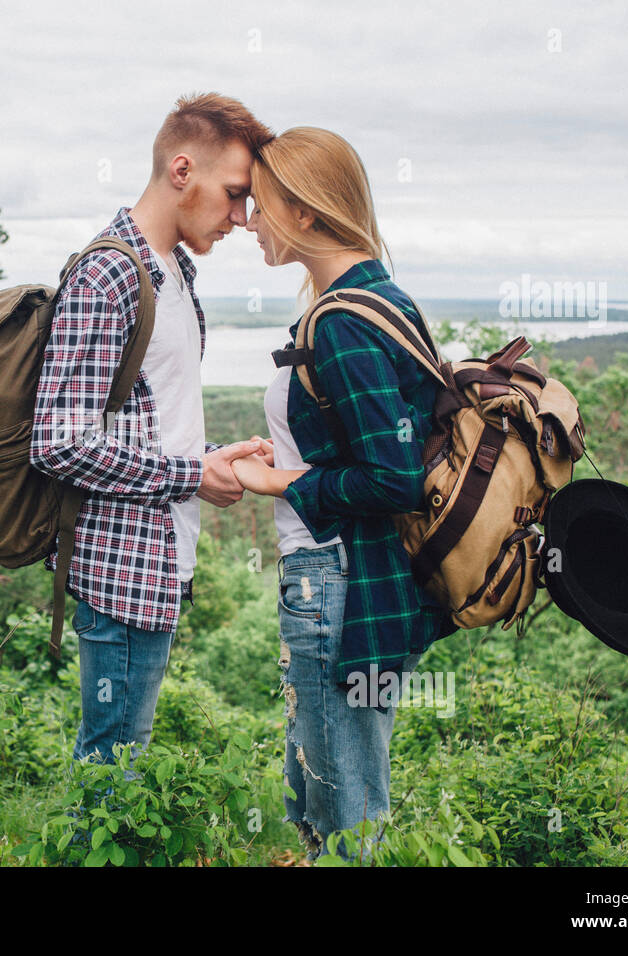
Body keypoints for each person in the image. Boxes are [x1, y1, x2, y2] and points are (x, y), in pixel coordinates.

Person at [29, 92, 273, 768]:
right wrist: (192, 475)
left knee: (120, 759)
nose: (241, 218)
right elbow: (58, 439)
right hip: (117, 567)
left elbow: (145, 420)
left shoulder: (175, 271)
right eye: (233, 195)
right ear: (182, 171)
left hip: (156, 562)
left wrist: (210, 458)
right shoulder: (109, 272)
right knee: (111, 765)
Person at [228, 127, 452, 860]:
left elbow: (395, 478)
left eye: (258, 205)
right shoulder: (380, 298)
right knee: (324, 797)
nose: (247, 221)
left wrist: (283, 480)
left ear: (306, 213)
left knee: (347, 816)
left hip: (339, 586)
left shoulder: (345, 322)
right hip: (359, 581)